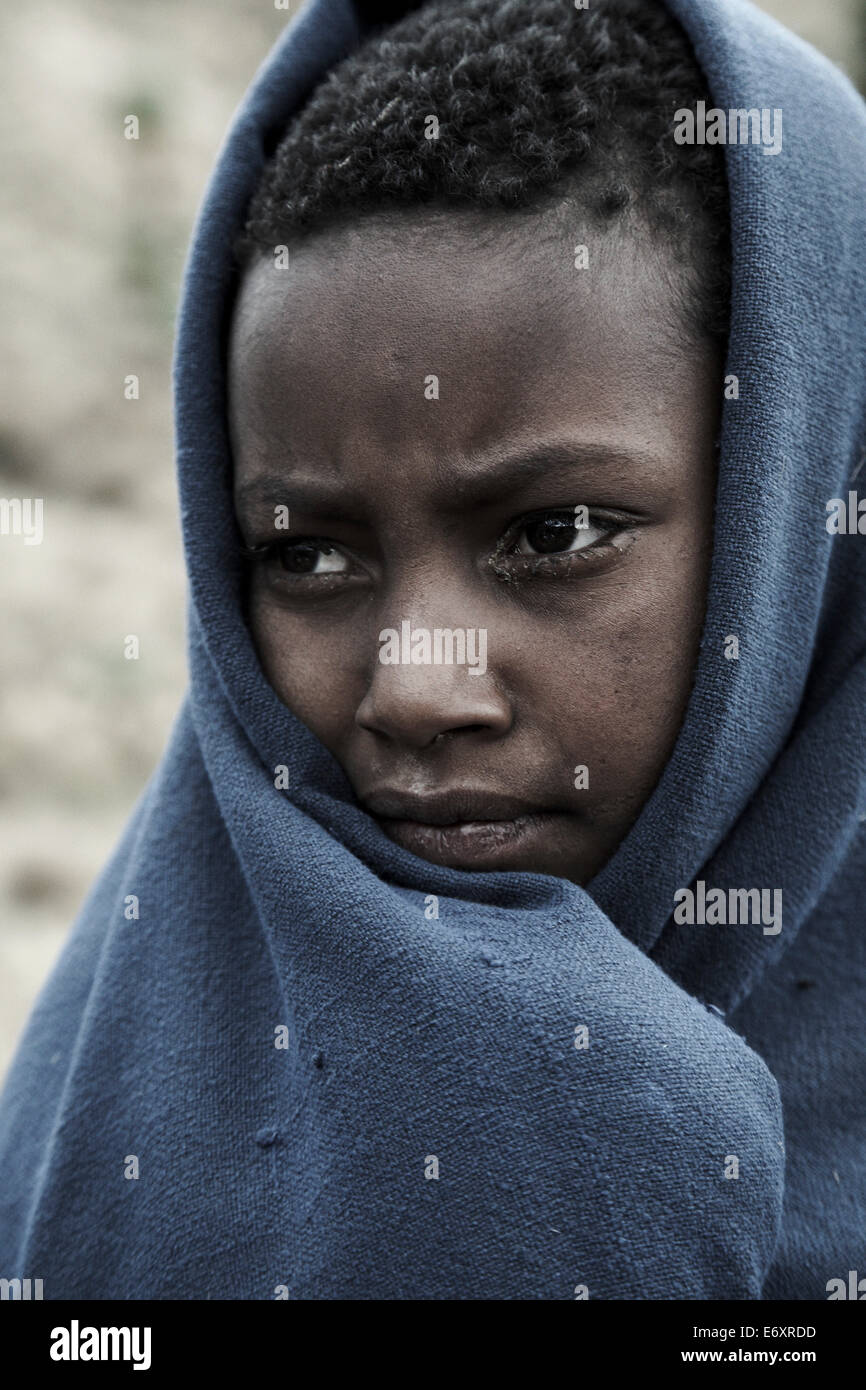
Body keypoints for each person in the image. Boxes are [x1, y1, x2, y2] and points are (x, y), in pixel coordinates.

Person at [0, 0, 863, 1300]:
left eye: (555, 531)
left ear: (800, 505)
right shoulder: (122, 1094)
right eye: (308, 554)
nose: (413, 684)